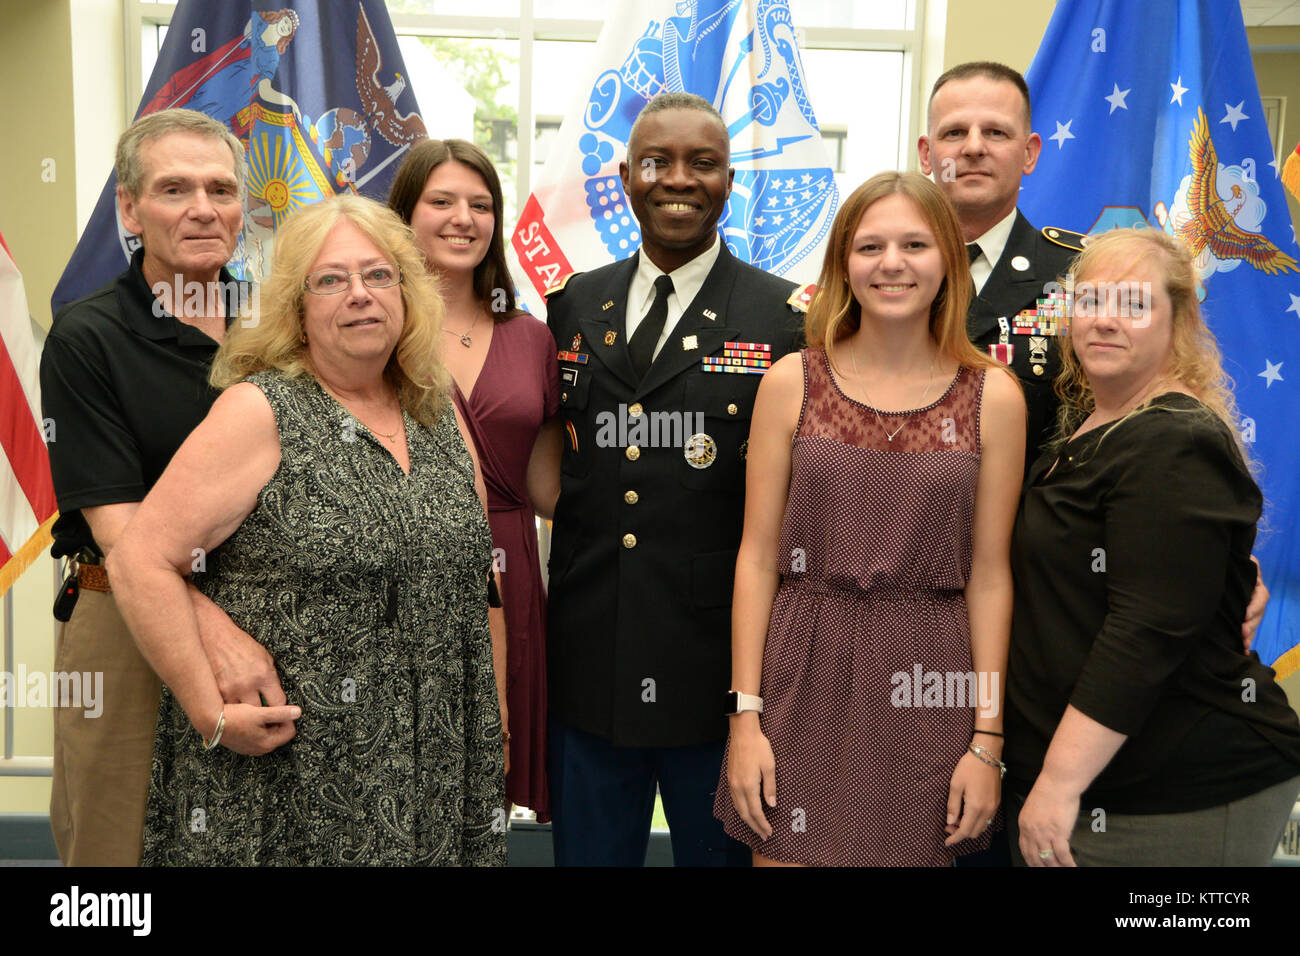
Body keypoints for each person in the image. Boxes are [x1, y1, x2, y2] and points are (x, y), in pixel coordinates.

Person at [107, 194, 507, 865]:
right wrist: (210, 712)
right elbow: (139, 561)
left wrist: (492, 730)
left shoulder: (435, 411)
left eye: (379, 276)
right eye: (331, 280)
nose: (360, 295)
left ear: (407, 295)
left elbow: (479, 583)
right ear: (296, 305)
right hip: (292, 780)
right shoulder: (259, 411)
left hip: (436, 764)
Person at [715, 171, 1025, 866]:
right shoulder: (791, 382)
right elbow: (757, 559)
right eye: (870, 246)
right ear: (842, 265)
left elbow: (990, 577)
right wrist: (745, 716)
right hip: (801, 674)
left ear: (948, 259)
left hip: (930, 682)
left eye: (915, 244)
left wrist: (988, 739)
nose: (891, 263)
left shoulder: (994, 397)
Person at [542, 92, 811, 866]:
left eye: (704, 163)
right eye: (658, 162)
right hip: (590, 661)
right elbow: (552, 456)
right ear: (626, 176)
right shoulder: (574, 304)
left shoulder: (783, 317)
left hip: (715, 677)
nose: (678, 180)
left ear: (731, 181)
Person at [1005, 228, 1300, 867]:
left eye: (1134, 304)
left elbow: (1145, 630)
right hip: (1108, 783)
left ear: (1180, 319)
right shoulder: (1092, 420)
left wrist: (1058, 784)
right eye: (1091, 300)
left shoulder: (1174, 439)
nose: (1106, 320)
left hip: (1178, 791)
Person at [39, 108, 283, 866]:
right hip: (125, 617)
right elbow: (123, 533)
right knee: (117, 847)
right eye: (175, 189)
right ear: (129, 209)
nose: (204, 209)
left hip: (273, 616)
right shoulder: (87, 337)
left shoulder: (279, 329)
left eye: (221, 188)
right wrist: (217, 638)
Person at [389, 138, 561, 821]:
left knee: (490, 784)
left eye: (481, 204)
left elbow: (548, 485)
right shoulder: (373, 325)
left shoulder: (533, 338)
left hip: (510, 566)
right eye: (442, 201)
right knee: (403, 764)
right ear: (405, 215)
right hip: (400, 566)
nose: (464, 217)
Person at [918, 61, 1085, 473]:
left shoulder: (1082, 275)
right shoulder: (883, 273)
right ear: (927, 154)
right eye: (954, 132)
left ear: (1029, 153)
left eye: (996, 132)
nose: (974, 148)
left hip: (1030, 528)